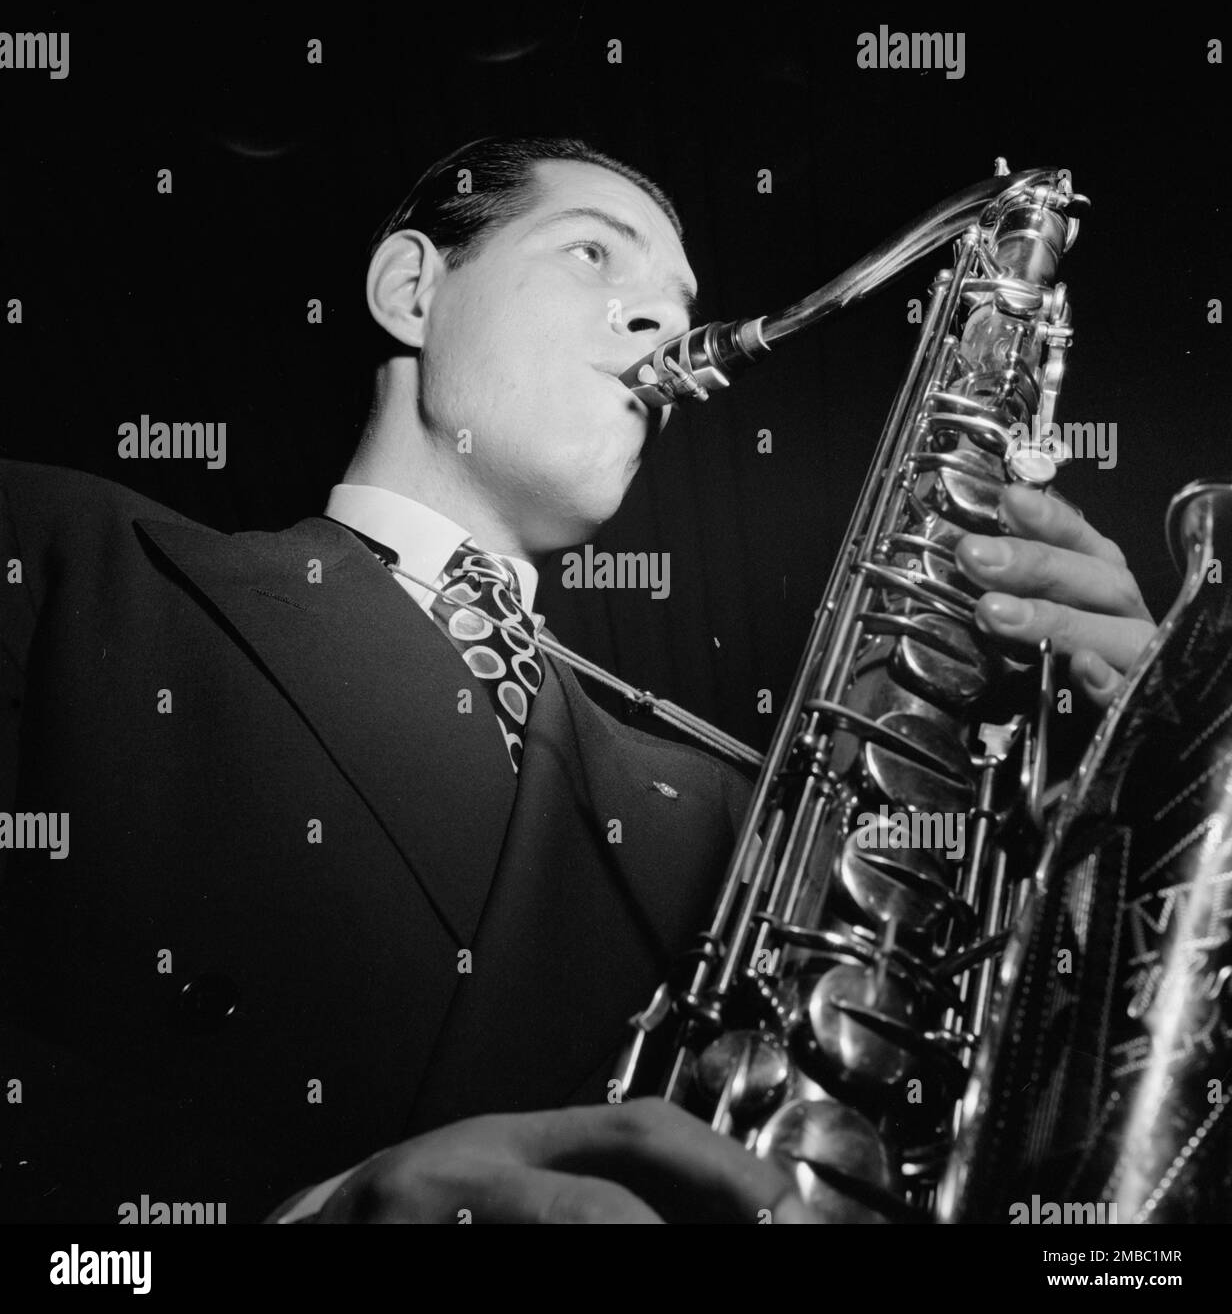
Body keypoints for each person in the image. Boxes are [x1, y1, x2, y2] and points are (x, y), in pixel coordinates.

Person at [0, 137, 1157, 1224]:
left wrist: (1116, 808)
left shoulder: (749, 814)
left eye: (684, 301)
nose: (663, 318)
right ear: (411, 289)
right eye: (594, 251)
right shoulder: (53, 555)